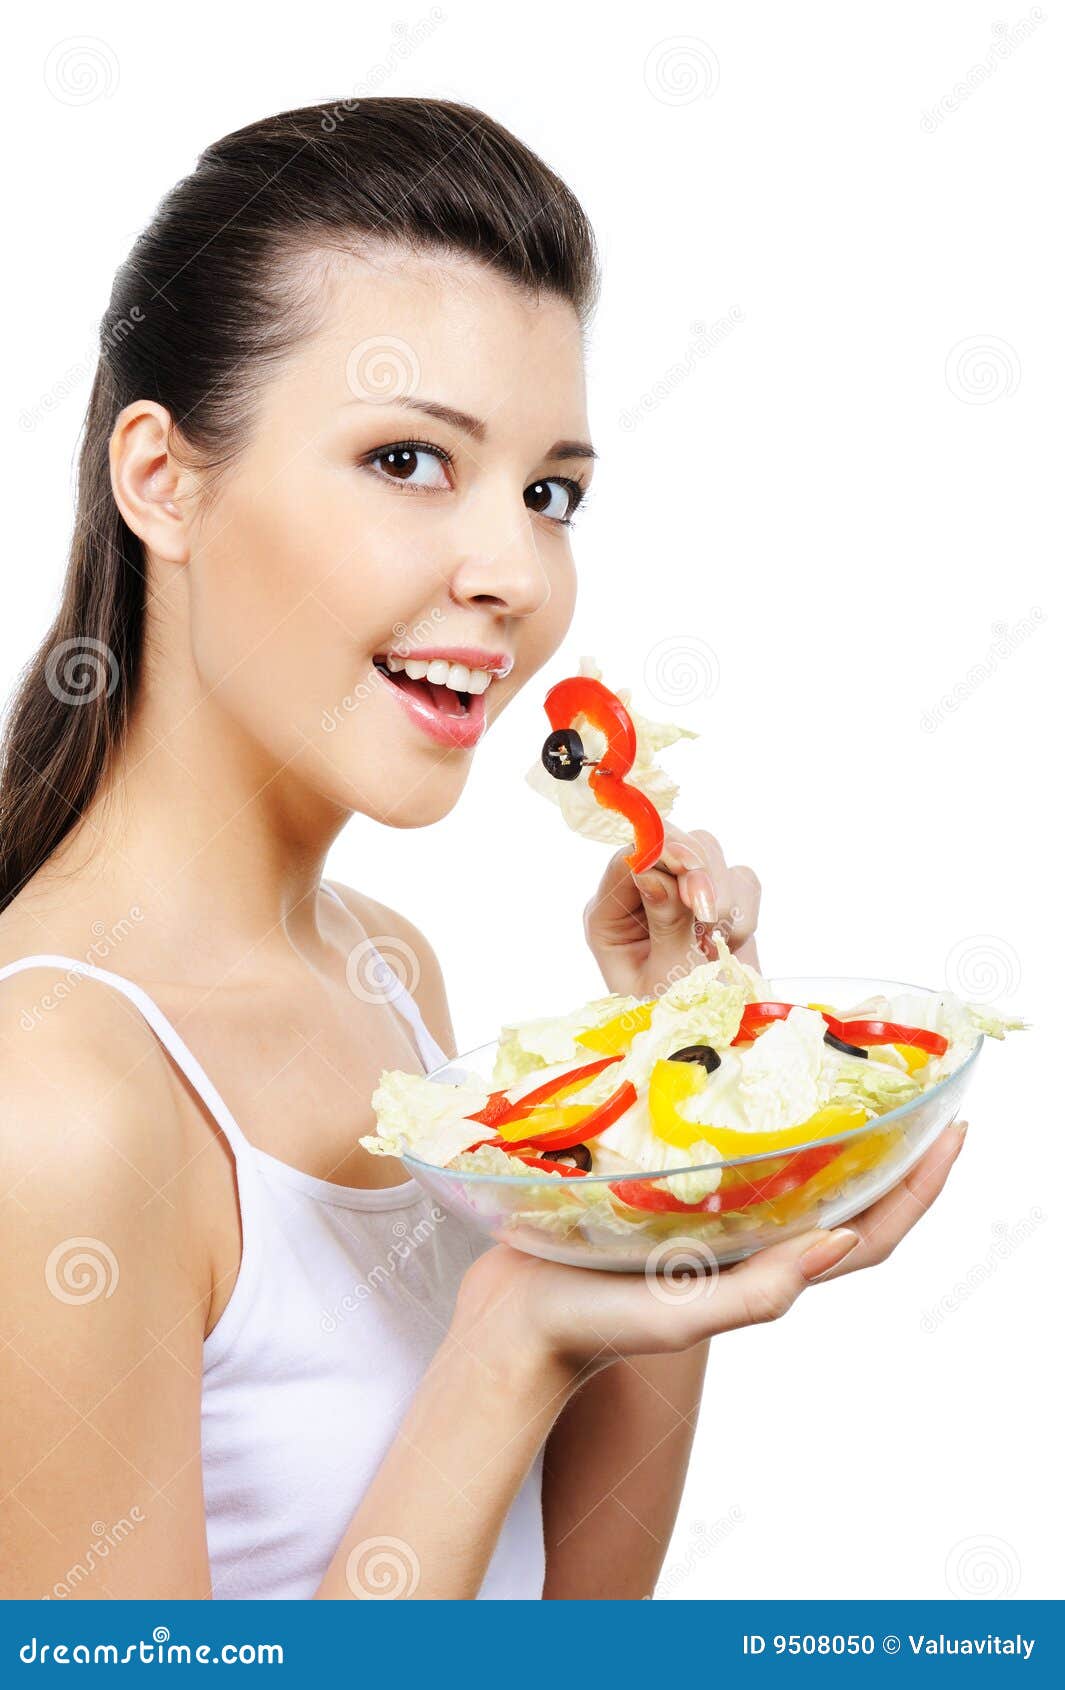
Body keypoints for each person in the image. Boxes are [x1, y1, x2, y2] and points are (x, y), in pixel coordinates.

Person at [0, 98, 966, 1601]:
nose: (513, 569)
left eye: (548, 491)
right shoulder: (54, 1093)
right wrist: (507, 1343)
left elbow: (564, 1625)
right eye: (405, 459)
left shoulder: (384, 968)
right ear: (161, 481)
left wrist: (676, 1128)